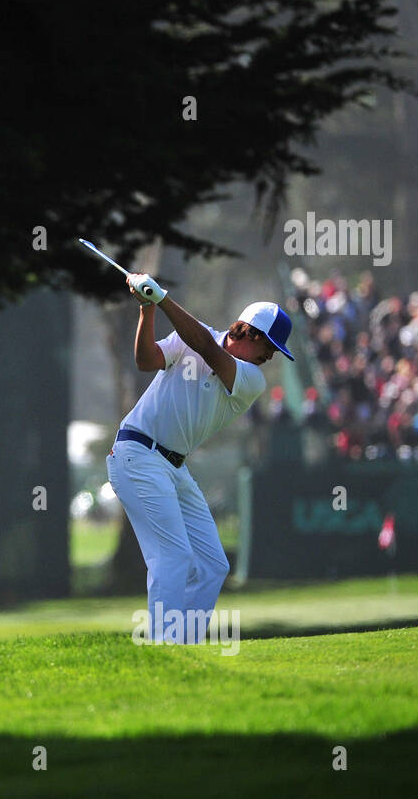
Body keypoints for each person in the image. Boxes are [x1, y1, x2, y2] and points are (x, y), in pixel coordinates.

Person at [108, 271, 294, 643]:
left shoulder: (250, 379)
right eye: (269, 346)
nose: (270, 356)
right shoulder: (190, 337)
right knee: (173, 557)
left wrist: (162, 300)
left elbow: (209, 350)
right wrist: (148, 309)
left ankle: (186, 647)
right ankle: (165, 646)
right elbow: (147, 360)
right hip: (136, 453)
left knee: (212, 564)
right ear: (249, 333)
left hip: (173, 467)